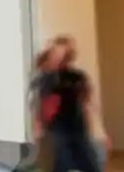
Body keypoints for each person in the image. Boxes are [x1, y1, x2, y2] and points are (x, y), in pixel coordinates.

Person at [38, 36, 100, 172]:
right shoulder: (47, 79)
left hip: (79, 130)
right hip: (58, 132)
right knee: (61, 164)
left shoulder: (78, 77)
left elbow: (89, 103)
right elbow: (44, 106)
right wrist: (40, 127)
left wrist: (99, 130)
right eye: (60, 52)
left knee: (91, 165)